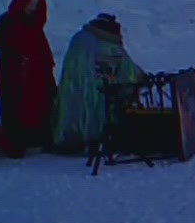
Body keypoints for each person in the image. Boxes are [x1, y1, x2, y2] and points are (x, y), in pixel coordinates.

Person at [51, 13, 147, 155]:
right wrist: (142, 78)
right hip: (101, 98)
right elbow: (129, 73)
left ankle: (70, 139)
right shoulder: (110, 45)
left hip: (72, 94)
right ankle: (96, 139)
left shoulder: (79, 39)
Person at [0, 0, 56, 157]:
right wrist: (17, 55)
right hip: (13, 72)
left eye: (36, 4)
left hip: (33, 74)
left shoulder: (35, 27)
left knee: (36, 105)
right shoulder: (9, 21)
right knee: (13, 108)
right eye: (30, 3)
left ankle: (33, 137)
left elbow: (42, 53)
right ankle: (14, 143)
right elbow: (0, 42)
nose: (32, 7)